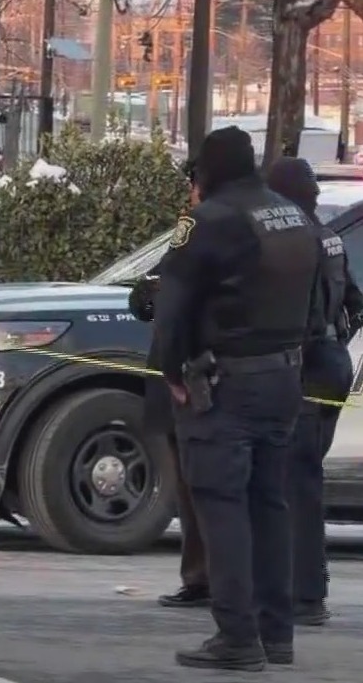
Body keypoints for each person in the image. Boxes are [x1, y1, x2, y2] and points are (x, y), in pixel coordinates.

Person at [152, 126, 323, 671]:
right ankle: (278, 634)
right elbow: (318, 306)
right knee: (270, 504)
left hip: (225, 384)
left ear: (208, 170)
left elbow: (172, 306)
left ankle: (236, 637)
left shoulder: (206, 222)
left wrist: (170, 372)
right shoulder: (292, 216)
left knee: (221, 506)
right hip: (284, 379)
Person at [265, 157, 363, 627]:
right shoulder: (330, 238)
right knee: (303, 478)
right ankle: (302, 587)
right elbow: (357, 305)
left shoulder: (292, 240)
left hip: (303, 364)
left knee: (296, 484)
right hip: (332, 362)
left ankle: (306, 594)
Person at [129, 161, 211, 610]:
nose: (190, 194)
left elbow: (170, 291)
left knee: (197, 485)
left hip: (192, 377)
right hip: (200, 375)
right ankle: (205, 577)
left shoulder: (199, 228)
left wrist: (171, 372)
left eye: (192, 185)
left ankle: (205, 579)